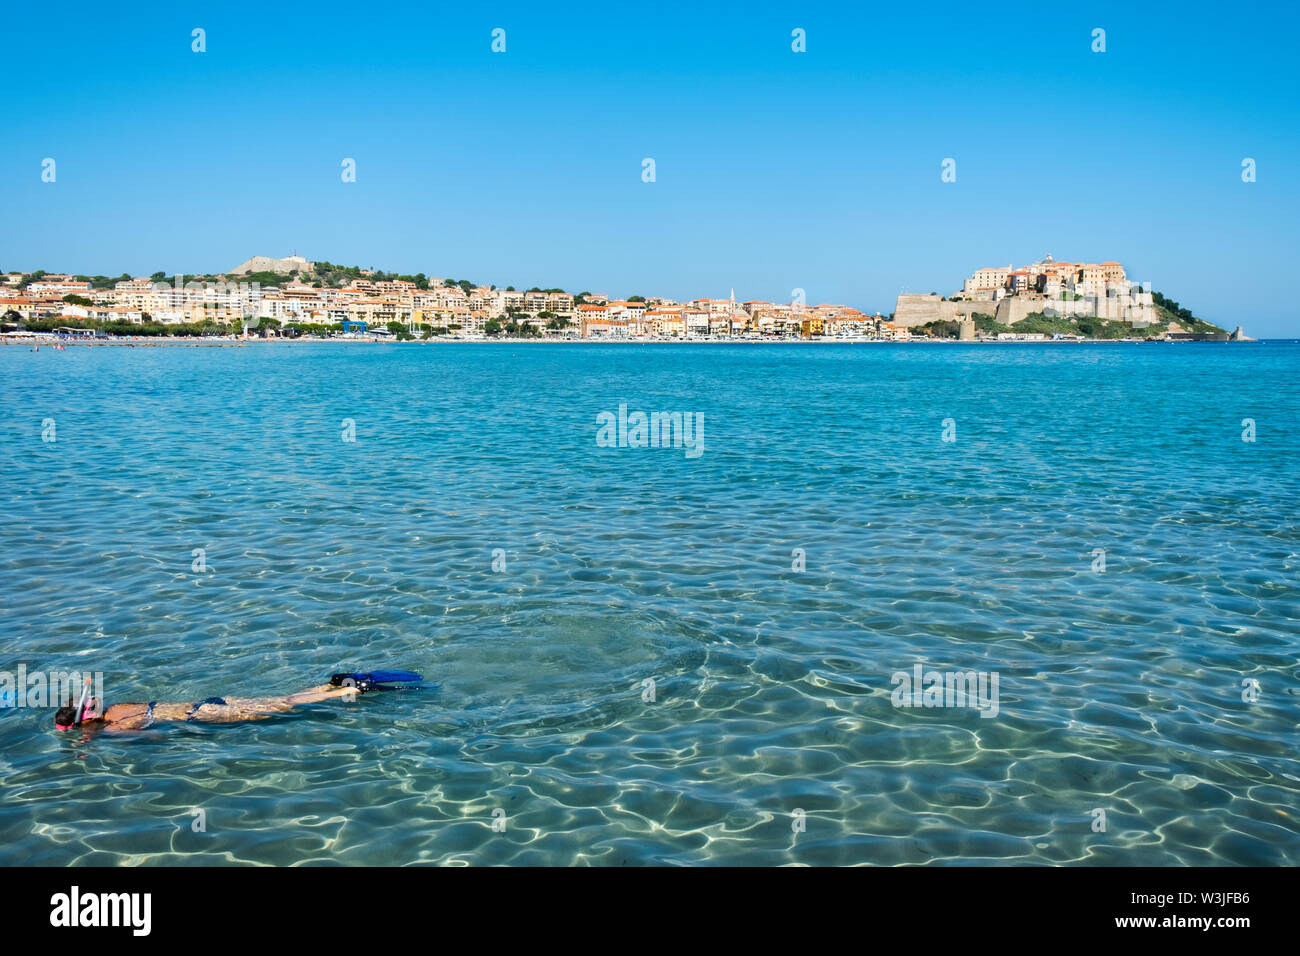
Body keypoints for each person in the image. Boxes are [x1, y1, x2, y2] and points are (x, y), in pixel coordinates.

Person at [53, 672, 419, 733]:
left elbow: (156, 738)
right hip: (210, 700)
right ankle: (330, 685)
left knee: (287, 708)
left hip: (205, 714)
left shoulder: (117, 727)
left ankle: (351, 690)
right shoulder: (116, 709)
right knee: (286, 699)